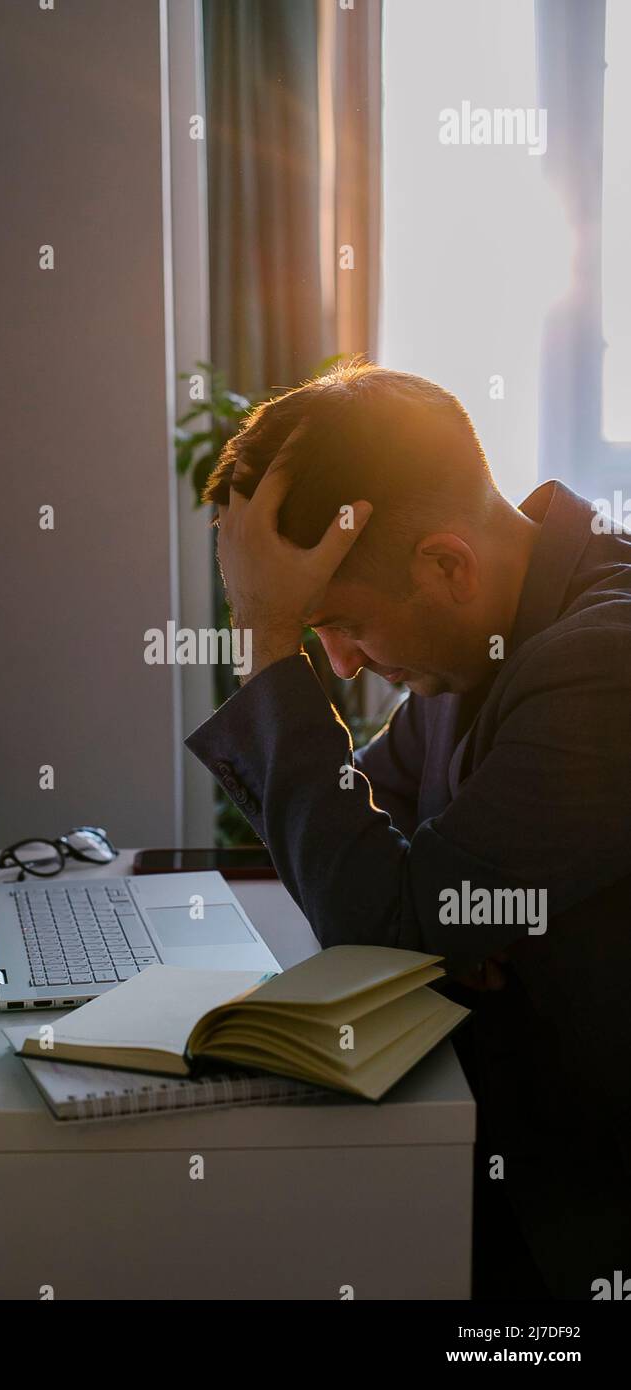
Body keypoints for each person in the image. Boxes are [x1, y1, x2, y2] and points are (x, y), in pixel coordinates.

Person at [185, 359, 631, 1300]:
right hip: (496, 1131)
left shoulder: (603, 662)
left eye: (335, 625)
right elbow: (374, 855)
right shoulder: (488, 635)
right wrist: (429, 921)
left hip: (584, 1210)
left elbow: (385, 922)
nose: (341, 666)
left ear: (446, 565)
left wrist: (269, 645)